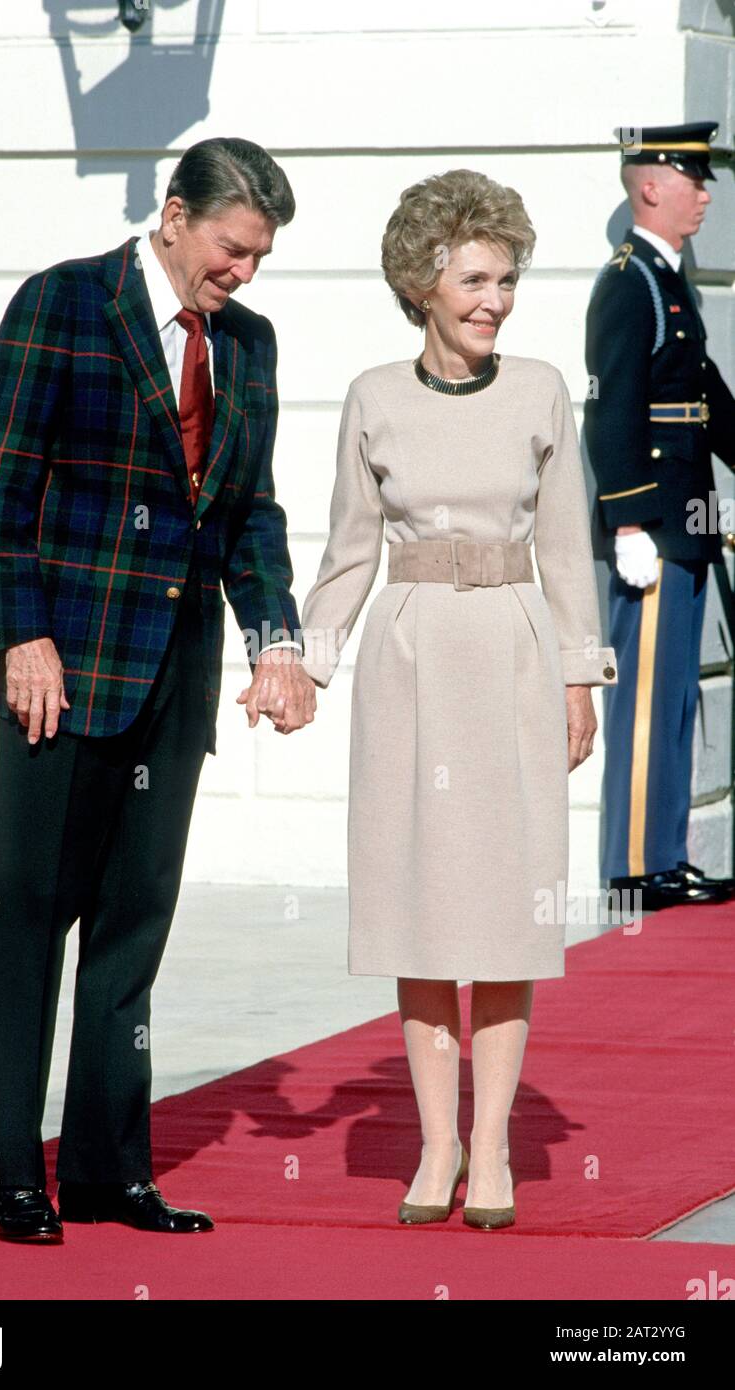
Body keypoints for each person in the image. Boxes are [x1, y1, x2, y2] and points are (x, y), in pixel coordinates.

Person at [0, 136, 316, 1243]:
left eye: (257, 256)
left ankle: (110, 1169)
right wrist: (20, 635)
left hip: (173, 686)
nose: (242, 274)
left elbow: (250, 512)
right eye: (229, 248)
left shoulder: (247, 345)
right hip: (59, 677)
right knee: (30, 919)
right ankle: (15, 1169)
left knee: (130, 931)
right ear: (172, 214)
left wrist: (275, 639)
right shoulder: (63, 302)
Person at [297, 169, 618, 1230]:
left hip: (515, 657)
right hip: (408, 664)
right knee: (421, 913)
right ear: (421, 282)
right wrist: (298, 659)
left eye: (506, 278)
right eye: (474, 278)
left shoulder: (536, 390)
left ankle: (493, 1154)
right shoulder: (372, 397)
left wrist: (581, 676)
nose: (495, 299)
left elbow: (567, 545)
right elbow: (347, 552)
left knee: (502, 915)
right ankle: (434, 1147)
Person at [583, 122, 735, 912]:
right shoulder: (629, 283)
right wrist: (629, 523)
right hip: (656, 526)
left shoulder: (671, 280)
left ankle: (665, 856)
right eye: (691, 178)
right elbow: (611, 411)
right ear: (649, 186)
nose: (705, 192)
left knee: (677, 696)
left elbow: (705, 397)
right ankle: (637, 866)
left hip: (689, 520)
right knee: (644, 700)